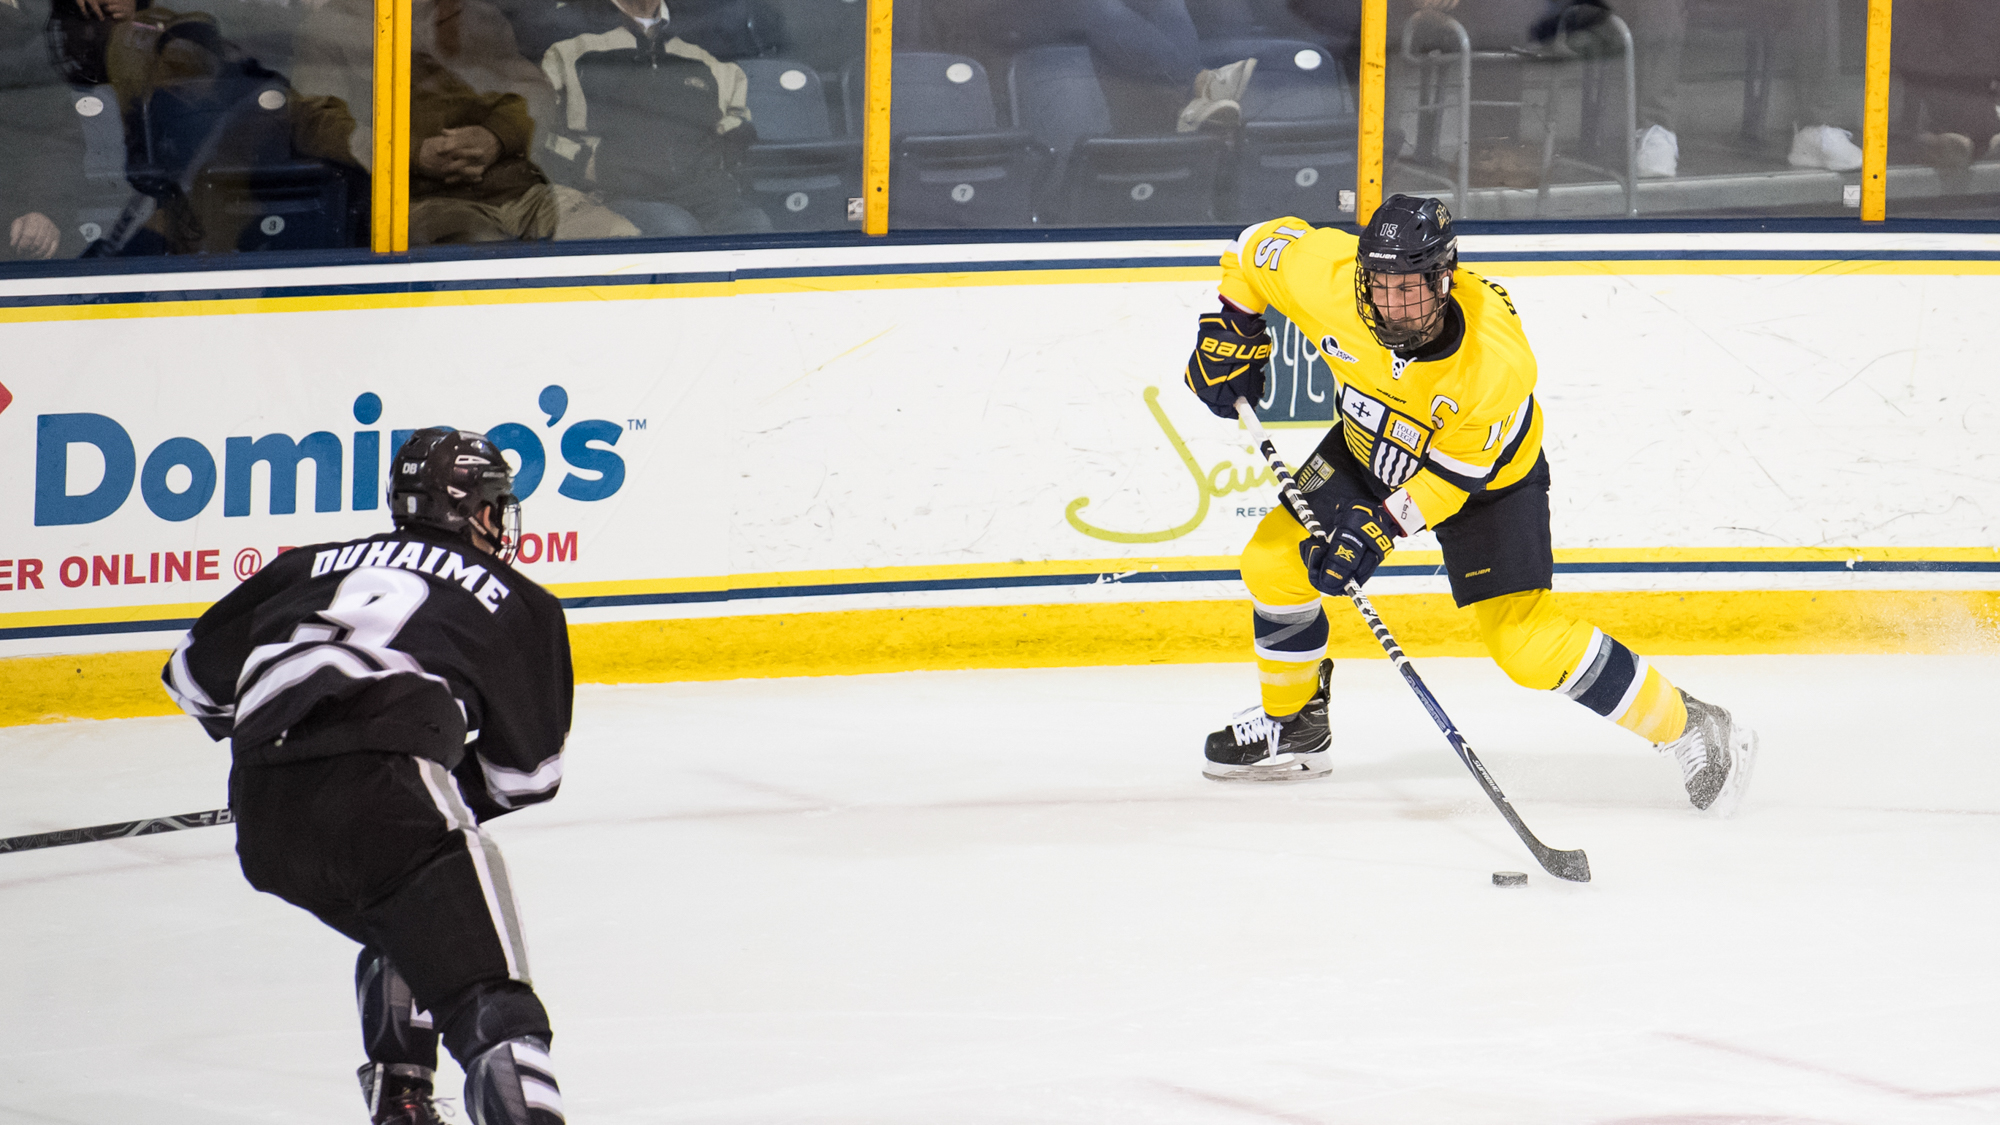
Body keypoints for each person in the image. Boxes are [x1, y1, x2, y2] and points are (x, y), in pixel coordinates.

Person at [1182, 194, 1755, 815]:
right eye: (1379, 285)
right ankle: (1294, 727)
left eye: (1411, 288)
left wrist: (1376, 530)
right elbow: (1250, 247)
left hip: (1486, 482)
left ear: (1444, 278)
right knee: (1272, 563)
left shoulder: (1495, 363)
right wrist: (1232, 327)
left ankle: (1690, 723)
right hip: (1367, 440)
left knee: (1526, 647)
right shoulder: (1327, 277)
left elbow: (1451, 481)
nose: (1392, 304)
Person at [161, 428, 574, 1125]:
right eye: (496, 504)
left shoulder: (307, 566)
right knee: (492, 1005)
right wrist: (417, 778)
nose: (501, 521)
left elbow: (192, 682)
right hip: (387, 782)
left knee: (410, 914)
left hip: (264, 811)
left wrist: (301, 746)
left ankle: (401, 1101)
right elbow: (525, 775)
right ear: (473, 509)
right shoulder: (518, 597)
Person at [537, 0, 774, 237]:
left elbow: (737, 122)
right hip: (612, 196)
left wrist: (717, 163)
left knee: (754, 227)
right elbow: (540, 137)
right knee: (673, 229)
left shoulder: (706, 36)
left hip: (703, 195)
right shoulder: (564, 37)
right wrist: (600, 168)